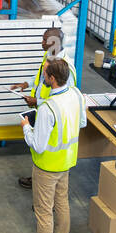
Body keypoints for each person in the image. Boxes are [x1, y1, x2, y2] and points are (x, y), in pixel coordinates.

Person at [12, 58, 84, 233]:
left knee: (43, 211)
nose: (42, 76)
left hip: (47, 166)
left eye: (44, 73)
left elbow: (38, 145)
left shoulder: (47, 109)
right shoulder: (76, 95)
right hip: (67, 161)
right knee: (62, 203)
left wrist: (26, 126)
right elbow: (81, 123)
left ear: (52, 78)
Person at [15, 27, 77, 190]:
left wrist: (38, 102)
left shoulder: (67, 69)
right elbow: (42, 77)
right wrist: (27, 84)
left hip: (53, 119)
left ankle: (42, 180)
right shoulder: (49, 57)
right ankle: (38, 176)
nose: (41, 43)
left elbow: (63, 100)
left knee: (43, 147)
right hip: (43, 110)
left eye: (45, 40)